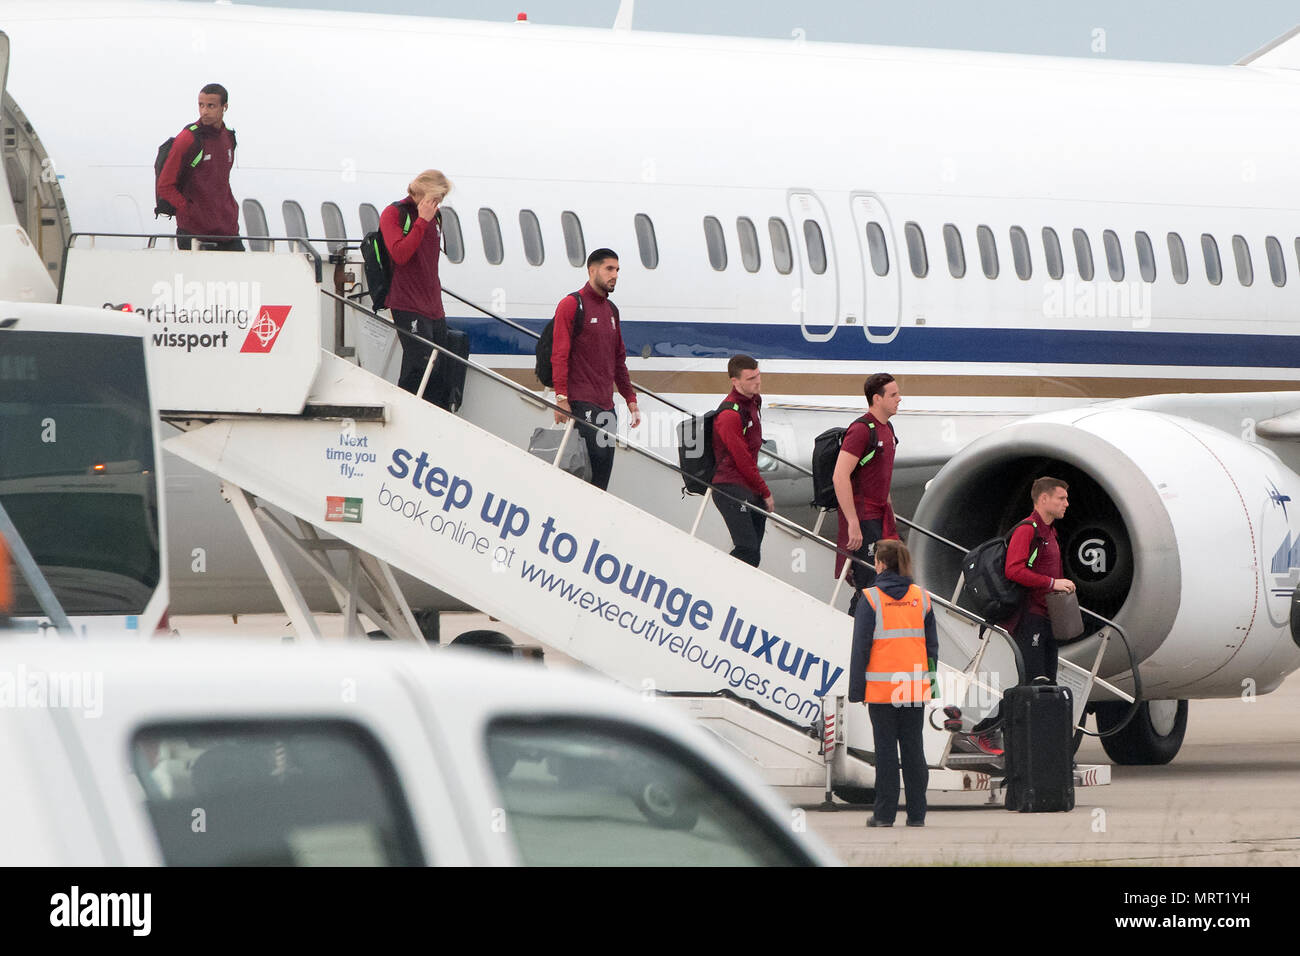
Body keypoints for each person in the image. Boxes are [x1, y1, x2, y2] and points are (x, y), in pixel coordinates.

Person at [967, 476, 1076, 756]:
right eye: (1061, 498)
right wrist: (1053, 584)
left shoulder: (1051, 533)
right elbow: (1014, 570)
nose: (1066, 503)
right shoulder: (1028, 531)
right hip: (1030, 618)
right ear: (1043, 499)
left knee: (1047, 686)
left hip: (1048, 616)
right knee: (1030, 684)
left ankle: (1041, 747)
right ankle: (985, 730)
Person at [848, 539, 937, 828]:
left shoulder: (871, 598)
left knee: (885, 752)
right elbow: (932, 648)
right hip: (913, 687)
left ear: (881, 564)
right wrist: (931, 686)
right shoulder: (922, 598)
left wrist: (857, 689)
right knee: (914, 749)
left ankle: (884, 814)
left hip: (882, 688)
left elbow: (861, 647)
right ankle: (917, 814)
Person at [550, 248, 640, 490]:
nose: (615, 275)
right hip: (581, 402)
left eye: (617, 270)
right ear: (592, 270)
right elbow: (559, 355)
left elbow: (618, 360)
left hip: (607, 407)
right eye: (609, 269)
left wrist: (630, 398)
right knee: (582, 472)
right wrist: (561, 399)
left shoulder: (612, 311)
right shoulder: (572, 304)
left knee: (602, 478)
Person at [382, 170, 453, 409]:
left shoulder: (437, 216)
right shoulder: (395, 213)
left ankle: (434, 418)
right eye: (437, 197)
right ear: (425, 193)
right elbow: (400, 254)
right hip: (407, 303)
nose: (439, 203)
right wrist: (421, 221)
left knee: (440, 367)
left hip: (433, 306)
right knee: (420, 365)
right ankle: (408, 413)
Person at [833, 372, 901, 615]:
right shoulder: (862, 430)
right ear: (877, 399)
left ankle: (864, 630)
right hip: (864, 516)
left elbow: (882, 477)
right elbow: (840, 476)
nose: (899, 399)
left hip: (881, 516)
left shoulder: (888, 429)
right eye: (893, 395)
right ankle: (853, 630)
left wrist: (891, 514)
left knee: (889, 577)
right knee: (870, 582)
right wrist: (853, 523)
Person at [157, 83, 243, 251]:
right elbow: (165, 186)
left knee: (242, 275)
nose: (204, 111)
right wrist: (190, 211)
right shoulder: (188, 139)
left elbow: (221, 180)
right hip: (194, 233)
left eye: (211, 106)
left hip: (228, 230)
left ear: (224, 107)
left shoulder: (228, 138)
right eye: (201, 105)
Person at [710, 355, 774, 567]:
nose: (757, 382)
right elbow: (742, 459)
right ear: (735, 381)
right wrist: (765, 491)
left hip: (748, 487)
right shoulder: (729, 415)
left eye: (758, 375)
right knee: (747, 547)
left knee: (754, 553)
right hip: (729, 487)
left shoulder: (754, 401)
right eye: (750, 379)